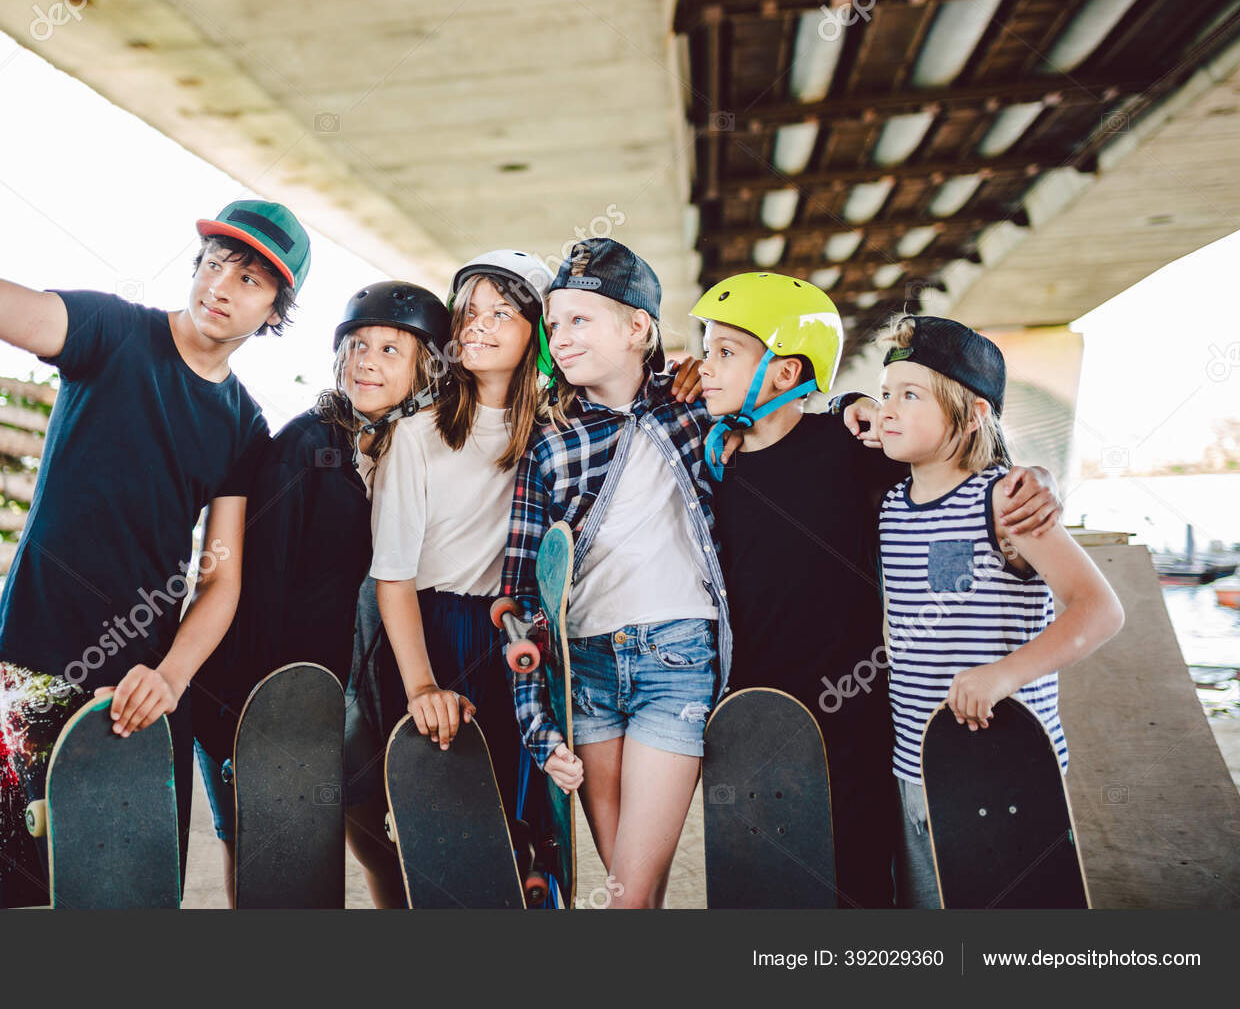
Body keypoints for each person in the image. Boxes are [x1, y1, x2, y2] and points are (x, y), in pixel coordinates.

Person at [0, 106, 308, 907]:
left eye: (250, 277)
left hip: (143, 677)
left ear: (274, 310)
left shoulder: (244, 425)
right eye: (216, 261)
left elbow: (220, 578)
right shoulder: (109, 332)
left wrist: (172, 675)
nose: (222, 285)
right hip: (42, 648)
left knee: (138, 893)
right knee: (38, 886)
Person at [674, 272, 1061, 908]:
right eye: (708, 350)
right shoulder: (715, 462)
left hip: (853, 715)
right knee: (762, 884)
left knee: (858, 886)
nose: (707, 366)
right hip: (747, 712)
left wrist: (1036, 478)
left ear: (783, 370)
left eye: (726, 352)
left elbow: (954, 460)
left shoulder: (852, 449)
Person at [188, 281, 451, 907]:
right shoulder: (303, 448)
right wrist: (253, 721)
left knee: (378, 845)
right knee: (268, 860)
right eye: (357, 345)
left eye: (391, 349)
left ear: (427, 366)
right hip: (268, 692)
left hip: (354, 690)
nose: (367, 359)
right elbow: (258, 590)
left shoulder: (412, 447)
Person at [501, 238, 729, 909]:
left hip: (677, 657)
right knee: (640, 895)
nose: (560, 337)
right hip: (588, 669)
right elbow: (520, 595)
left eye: (580, 319)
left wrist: (857, 408)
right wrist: (539, 725)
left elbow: (787, 418)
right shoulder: (547, 434)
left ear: (638, 327)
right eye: (555, 321)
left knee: (623, 897)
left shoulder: (693, 405)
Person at [872, 314, 1122, 908]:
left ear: (975, 413)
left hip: (1006, 766)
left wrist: (1004, 674)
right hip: (915, 764)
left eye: (910, 395)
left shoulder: (1007, 500)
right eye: (885, 394)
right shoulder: (890, 506)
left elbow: (1099, 609)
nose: (888, 408)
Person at [362, 250, 555, 904]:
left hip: (524, 638)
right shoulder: (417, 435)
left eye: (502, 310)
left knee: (521, 839)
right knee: (447, 840)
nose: (479, 323)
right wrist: (422, 684)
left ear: (538, 331)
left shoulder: (556, 428)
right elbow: (393, 577)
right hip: (436, 631)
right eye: (470, 310)